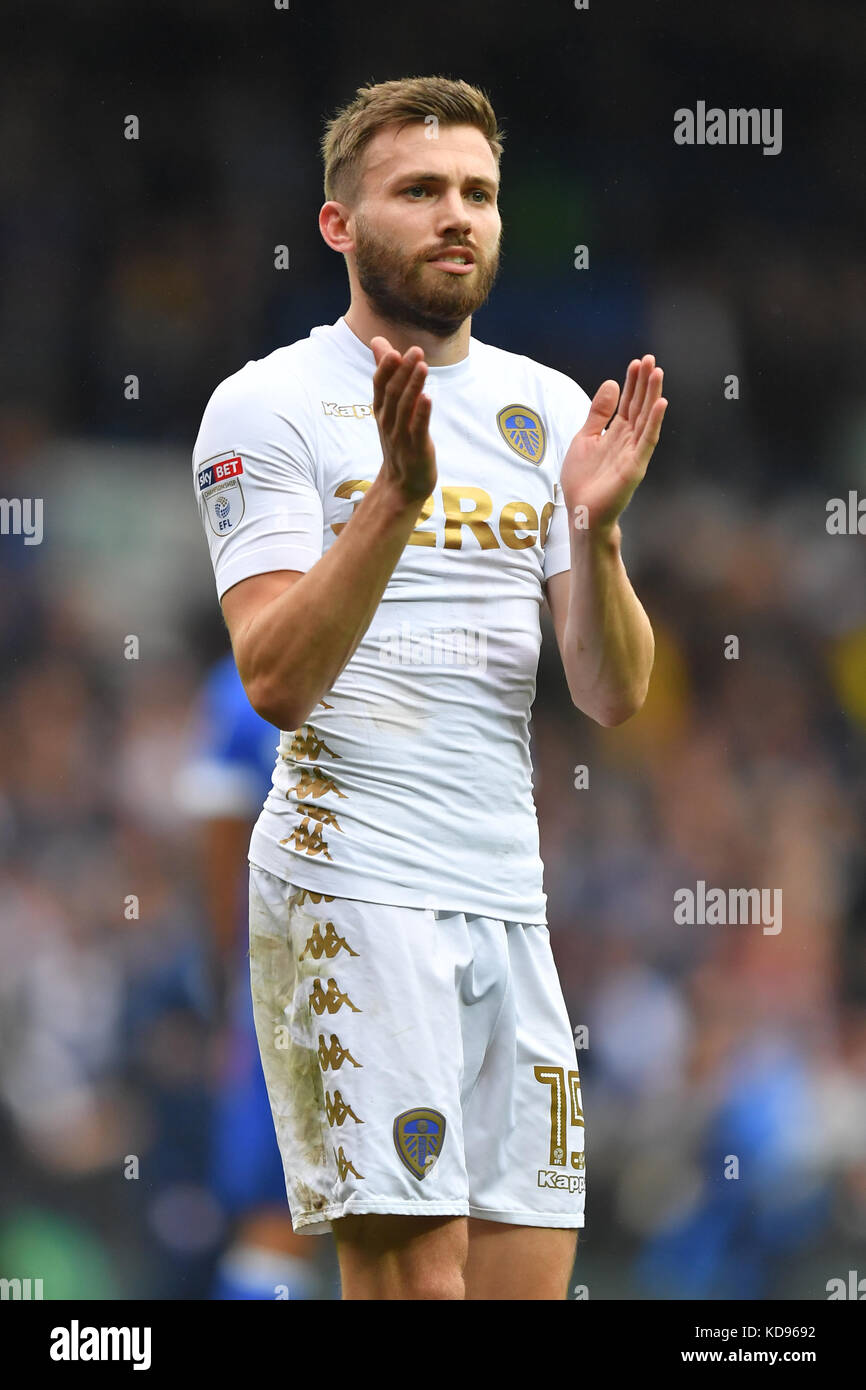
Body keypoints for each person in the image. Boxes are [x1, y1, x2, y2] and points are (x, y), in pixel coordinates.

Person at [191, 75, 667, 1300]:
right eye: (419, 191)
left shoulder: (547, 408)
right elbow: (276, 679)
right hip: (352, 882)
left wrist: (599, 538)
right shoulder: (268, 405)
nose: (457, 215)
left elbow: (611, 695)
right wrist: (396, 502)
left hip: (507, 893)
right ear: (340, 225)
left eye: (478, 193)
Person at [175, 650, 331, 1299]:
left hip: (291, 978)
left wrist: (230, 978)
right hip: (421, 974)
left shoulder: (245, 682)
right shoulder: (449, 653)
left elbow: (219, 843)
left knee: (278, 1220)